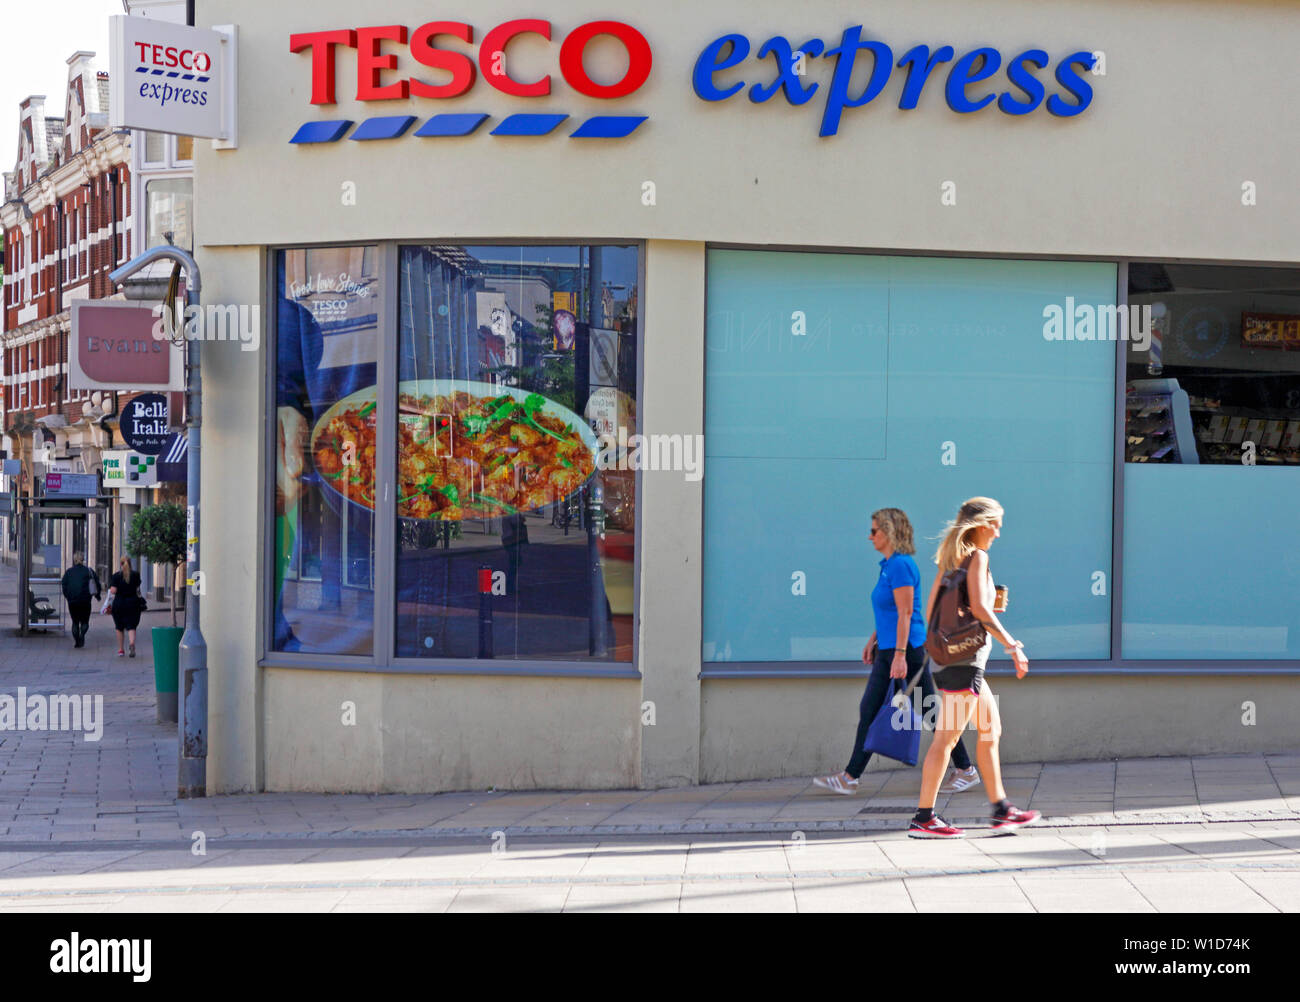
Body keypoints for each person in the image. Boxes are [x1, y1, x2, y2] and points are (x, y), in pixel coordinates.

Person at [813, 508, 977, 795]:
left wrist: (899, 655)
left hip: (906, 650)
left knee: (922, 710)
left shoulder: (901, 566)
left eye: (874, 530)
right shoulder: (888, 565)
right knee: (896, 709)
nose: (870, 536)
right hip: (891, 648)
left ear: (889, 532)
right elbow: (890, 612)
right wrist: (873, 640)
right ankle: (851, 776)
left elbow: (905, 613)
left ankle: (964, 769)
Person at [908, 497, 1040, 838]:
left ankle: (1001, 810)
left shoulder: (949, 561)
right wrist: (1012, 644)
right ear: (981, 525)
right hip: (964, 664)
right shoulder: (978, 557)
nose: (998, 532)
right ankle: (924, 818)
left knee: (990, 729)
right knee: (946, 740)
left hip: (950, 660)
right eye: (995, 524)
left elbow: (932, 609)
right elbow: (981, 609)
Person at [105, 556, 144, 658]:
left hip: (119, 604)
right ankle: (131, 643)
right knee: (131, 626)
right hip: (133, 603)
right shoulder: (135, 575)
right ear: (130, 564)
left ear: (121, 564)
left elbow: (113, 591)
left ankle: (121, 650)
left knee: (119, 627)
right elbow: (137, 588)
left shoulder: (116, 576)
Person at [60, 553, 101, 649]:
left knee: (75, 622)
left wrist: (68, 597)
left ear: (74, 560)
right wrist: (97, 596)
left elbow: (64, 585)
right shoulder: (89, 571)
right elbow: (96, 584)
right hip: (85, 601)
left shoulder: (69, 572)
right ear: (83, 560)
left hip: (72, 601)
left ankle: (77, 641)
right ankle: (82, 635)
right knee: (85, 621)